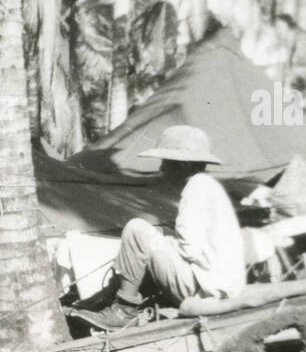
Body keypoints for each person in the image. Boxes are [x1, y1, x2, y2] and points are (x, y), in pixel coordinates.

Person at [75, 125, 245, 330]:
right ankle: (110, 297)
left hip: (206, 290)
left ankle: (124, 310)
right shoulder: (207, 186)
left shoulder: (196, 191)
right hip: (217, 285)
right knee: (154, 238)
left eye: (166, 163)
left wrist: (157, 243)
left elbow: (189, 249)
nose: (162, 169)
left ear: (181, 166)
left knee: (136, 229)